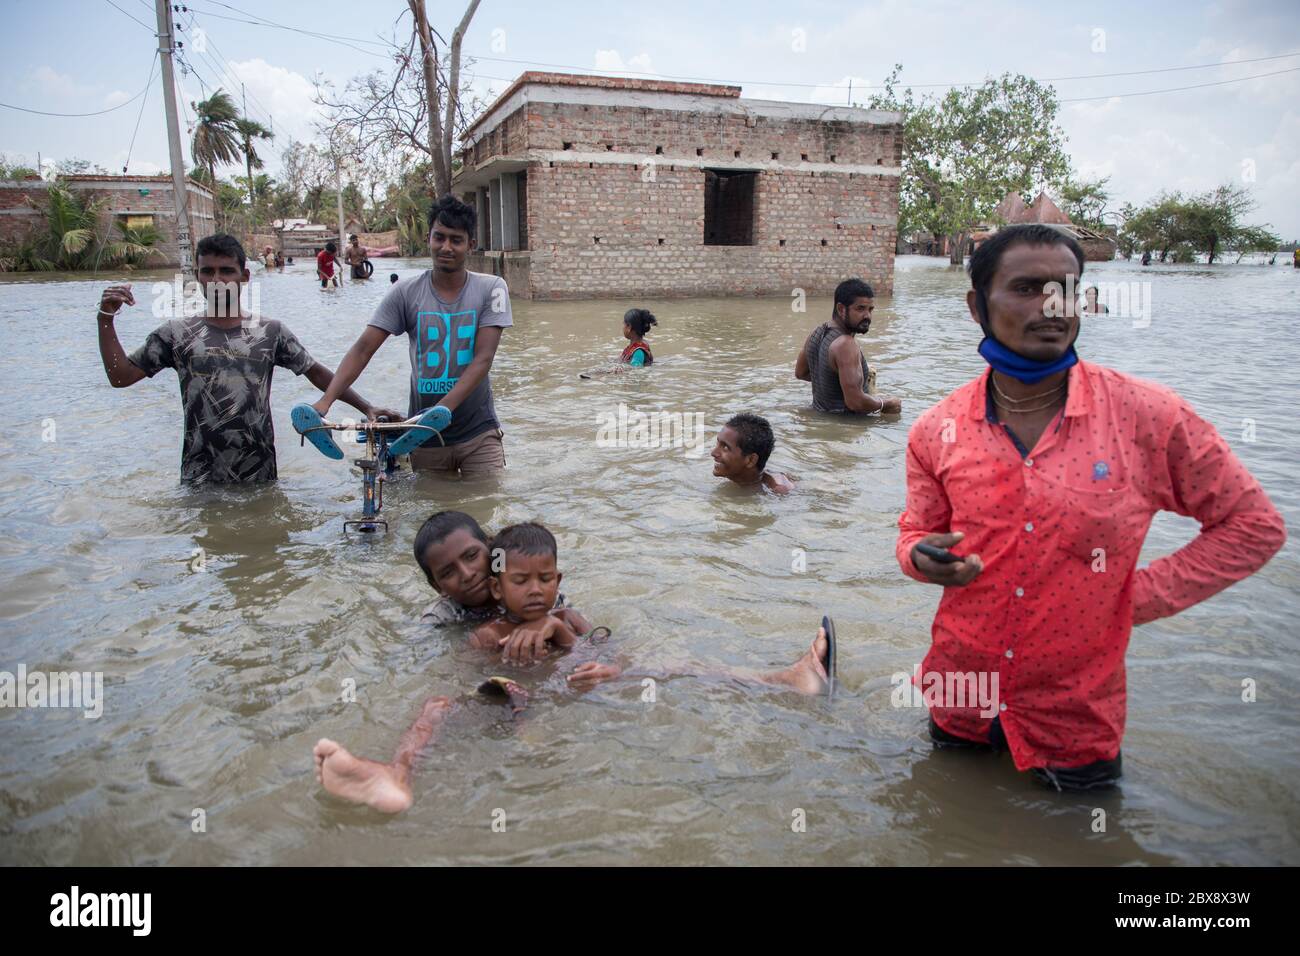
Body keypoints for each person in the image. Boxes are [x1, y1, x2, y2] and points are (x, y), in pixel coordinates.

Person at [896, 223, 1286, 791]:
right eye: (1027, 289)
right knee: (944, 818)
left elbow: (1254, 526)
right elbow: (916, 531)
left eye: (1066, 290)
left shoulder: (1147, 416)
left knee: (1083, 841)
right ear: (976, 306)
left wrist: (1132, 596)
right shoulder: (938, 429)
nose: (1051, 308)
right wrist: (920, 557)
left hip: (1073, 715)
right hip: (960, 691)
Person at [94, 233, 397, 483]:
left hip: (260, 474)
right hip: (199, 476)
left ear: (244, 277)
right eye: (207, 271)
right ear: (196, 276)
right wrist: (105, 317)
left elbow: (317, 374)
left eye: (226, 271)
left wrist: (366, 407)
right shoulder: (176, 334)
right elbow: (120, 377)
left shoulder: (270, 332)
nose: (216, 279)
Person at [309, 195, 511, 477]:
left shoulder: (492, 288)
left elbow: (483, 359)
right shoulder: (405, 292)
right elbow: (363, 349)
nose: (446, 247)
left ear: (471, 245)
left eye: (456, 240)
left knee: (486, 508)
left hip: (478, 433)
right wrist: (324, 403)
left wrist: (438, 413)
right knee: (431, 513)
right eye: (439, 237)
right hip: (423, 437)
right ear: (428, 238)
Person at [415, 510, 567, 628]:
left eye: (472, 556)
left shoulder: (537, 592)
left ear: (492, 549)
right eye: (448, 573)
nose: (467, 575)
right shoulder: (440, 617)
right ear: (436, 586)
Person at [795, 278, 902, 414]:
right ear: (841, 309)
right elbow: (855, 402)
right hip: (847, 429)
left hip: (821, 416)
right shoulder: (846, 345)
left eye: (870, 310)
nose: (867, 316)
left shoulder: (816, 333)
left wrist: (837, 382)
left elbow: (801, 373)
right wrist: (886, 403)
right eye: (860, 309)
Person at [711, 413, 795, 494]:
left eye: (725, 447)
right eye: (717, 443)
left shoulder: (778, 492)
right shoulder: (739, 478)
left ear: (751, 460)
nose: (713, 453)